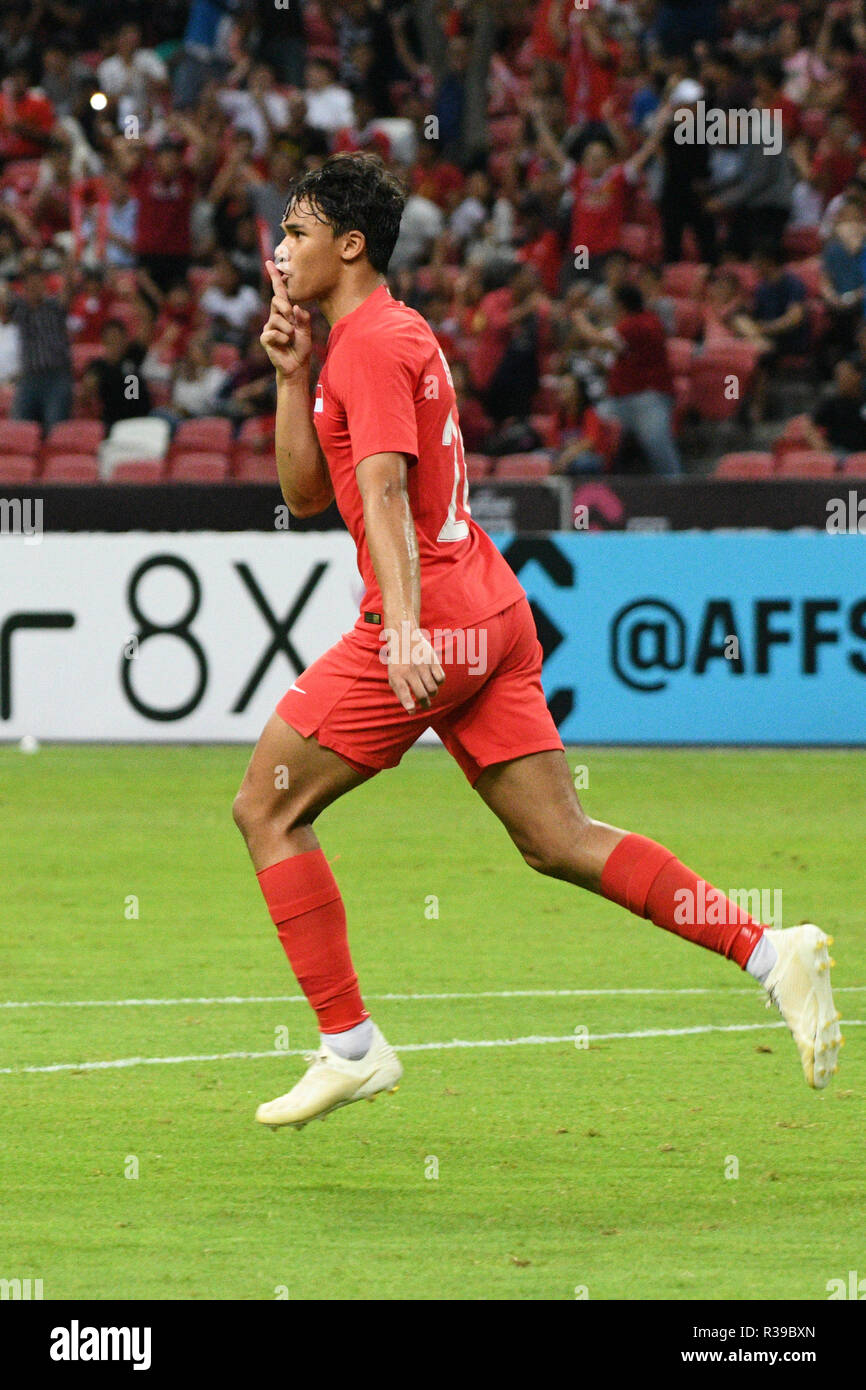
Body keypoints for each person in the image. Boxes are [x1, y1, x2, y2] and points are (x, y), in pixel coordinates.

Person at [231, 152, 841, 1134]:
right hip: (490, 610)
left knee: (264, 807)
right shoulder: (360, 341)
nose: (279, 247)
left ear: (348, 245)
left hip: (436, 616)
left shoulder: (371, 344)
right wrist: (289, 373)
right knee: (557, 838)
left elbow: (383, 494)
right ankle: (773, 954)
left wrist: (403, 630)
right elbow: (310, 495)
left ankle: (350, 1046)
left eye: (295, 229)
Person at [571, 284, 682, 476]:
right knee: (598, 422)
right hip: (622, 399)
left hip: (648, 398)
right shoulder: (643, 320)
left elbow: (595, 338)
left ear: (622, 304)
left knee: (657, 445)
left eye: (613, 303)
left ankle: (678, 491)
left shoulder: (637, 324)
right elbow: (622, 354)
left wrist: (578, 316)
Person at [9, 261, 73, 430]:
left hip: (56, 376)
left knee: (55, 425)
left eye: (38, 284)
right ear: (24, 287)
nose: (34, 288)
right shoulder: (19, 309)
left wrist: (69, 266)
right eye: (30, 285)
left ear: (44, 285)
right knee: (18, 427)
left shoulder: (54, 306)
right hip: (29, 377)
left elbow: (67, 291)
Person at [81, 318, 151, 428]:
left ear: (125, 340)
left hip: (139, 419)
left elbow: (147, 323)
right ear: (104, 341)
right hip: (112, 421)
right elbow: (87, 389)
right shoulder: (98, 366)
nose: (115, 343)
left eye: (118, 338)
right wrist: (90, 384)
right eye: (111, 339)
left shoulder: (133, 357)